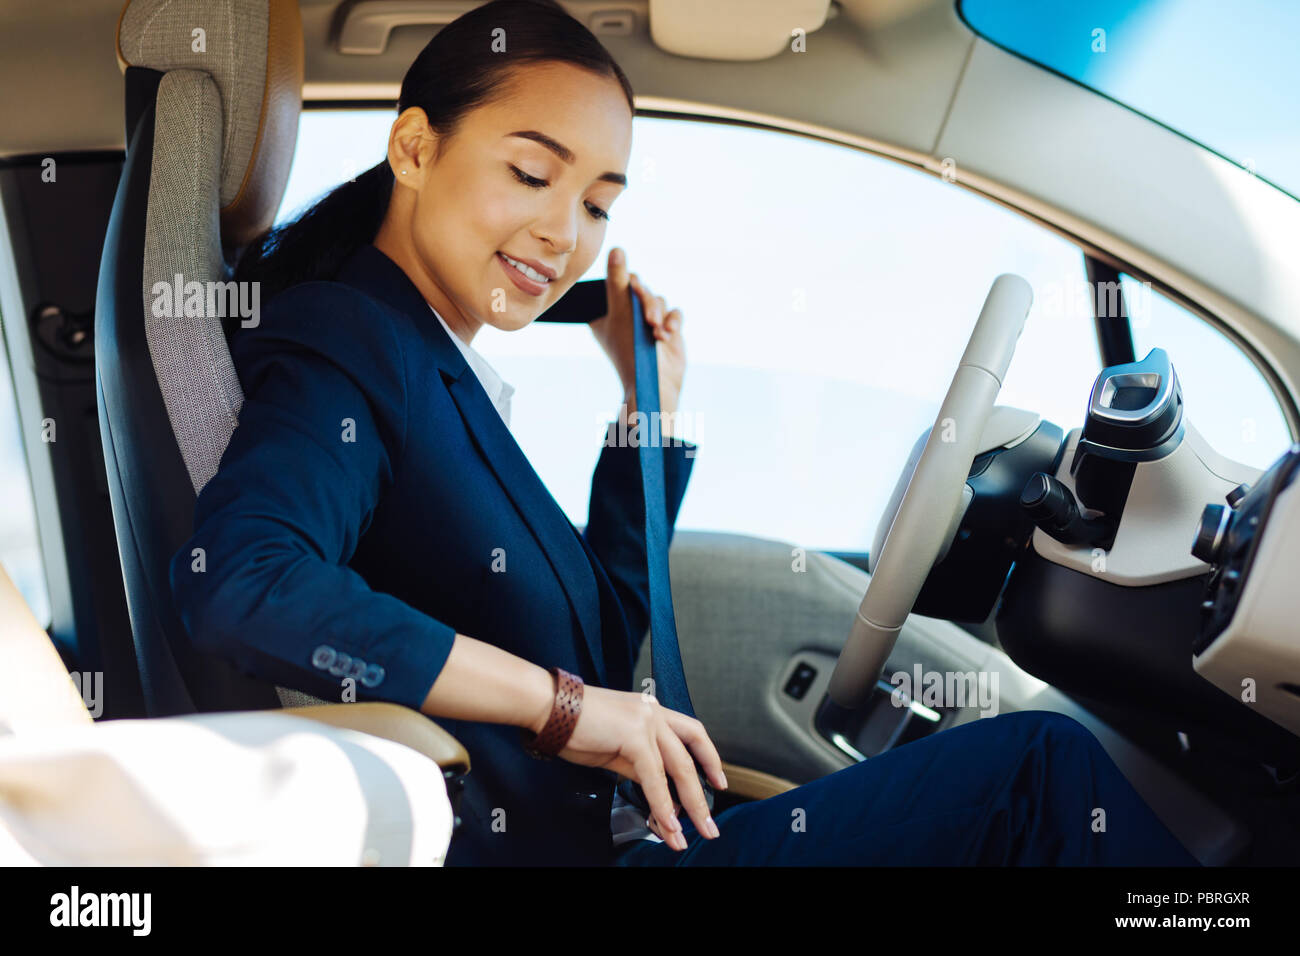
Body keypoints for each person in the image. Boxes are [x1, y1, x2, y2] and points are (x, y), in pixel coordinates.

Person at [170, 0, 1198, 867]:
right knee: (1035, 771)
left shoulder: (437, 361)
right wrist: (566, 709)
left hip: (612, 838)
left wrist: (646, 411)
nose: (564, 234)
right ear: (413, 146)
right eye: (532, 174)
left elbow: (603, 641)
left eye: (597, 204)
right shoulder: (349, 337)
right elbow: (243, 579)